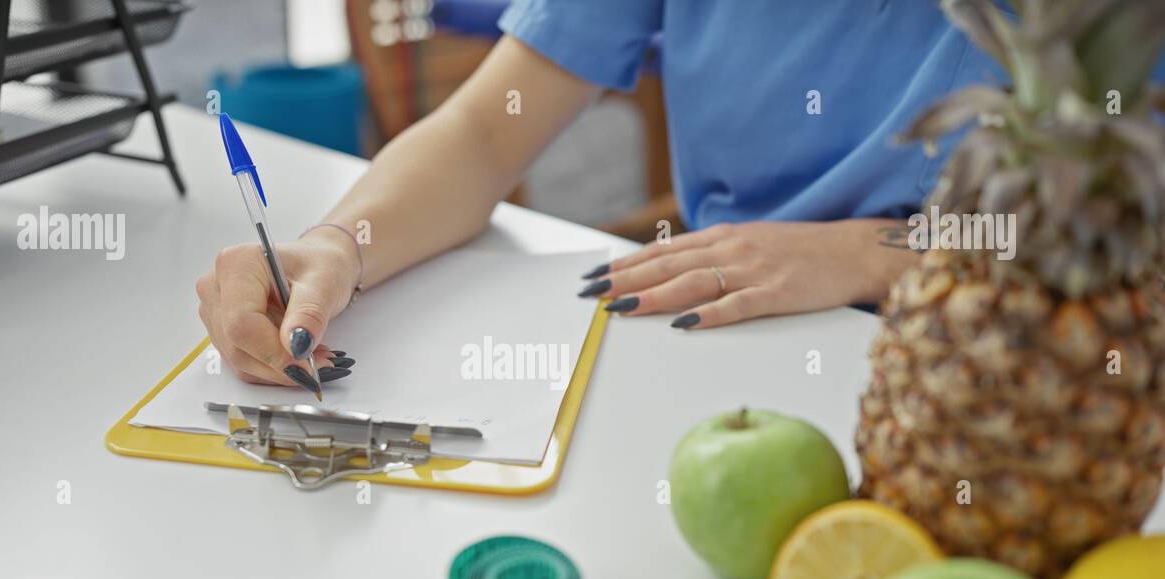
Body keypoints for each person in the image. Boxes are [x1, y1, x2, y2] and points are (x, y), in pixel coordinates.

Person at [195, 0, 1005, 389]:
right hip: (721, 353)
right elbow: (483, 136)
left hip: (1012, 344)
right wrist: (339, 244)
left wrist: (873, 253)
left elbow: (1132, 257)